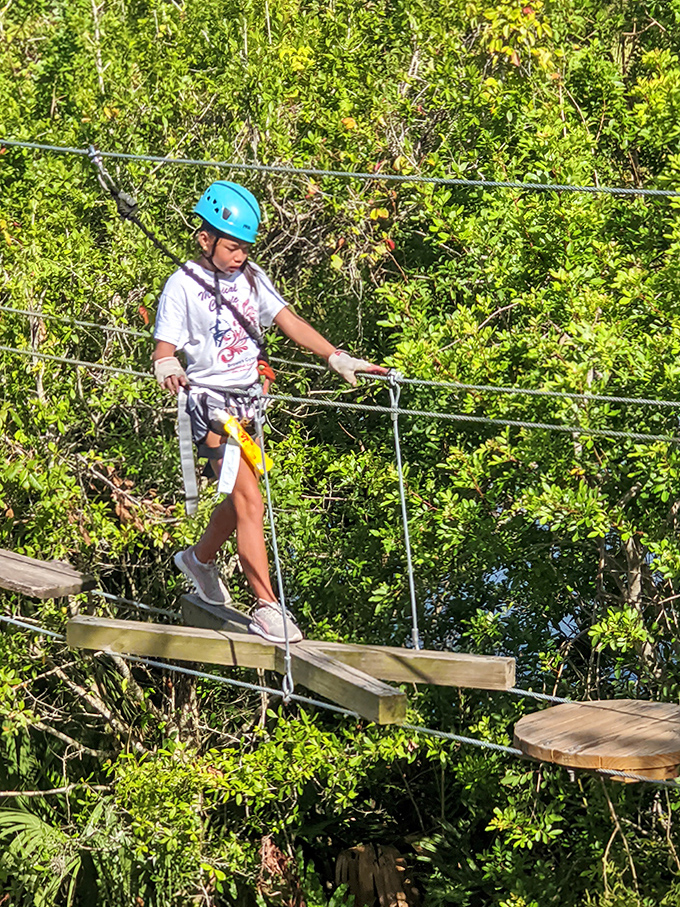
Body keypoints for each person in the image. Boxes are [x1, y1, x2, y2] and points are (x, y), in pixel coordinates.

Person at [152, 181, 387, 644]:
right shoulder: (182, 285)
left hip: (247, 405)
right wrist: (168, 366)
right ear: (206, 239)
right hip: (211, 408)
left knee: (240, 501)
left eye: (245, 248)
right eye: (232, 247)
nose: (239, 256)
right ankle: (266, 606)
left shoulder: (253, 277)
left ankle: (197, 560)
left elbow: (289, 321)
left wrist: (334, 356)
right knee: (252, 503)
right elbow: (164, 348)